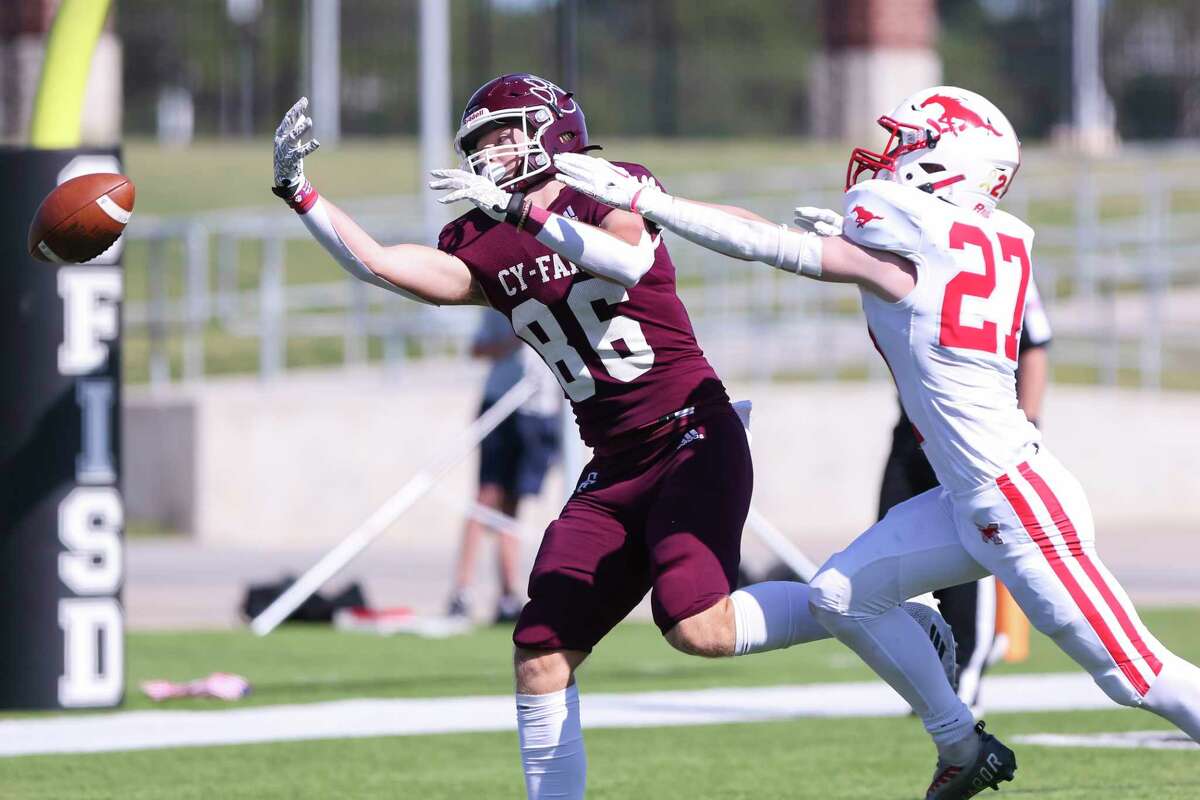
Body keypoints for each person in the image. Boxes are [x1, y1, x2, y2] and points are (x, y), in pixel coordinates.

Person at [272, 75, 955, 800]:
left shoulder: (604, 185)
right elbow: (382, 264)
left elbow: (623, 259)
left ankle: (885, 609)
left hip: (693, 429)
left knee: (698, 626)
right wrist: (302, 194)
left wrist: (520, 211)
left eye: (505, 133)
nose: (489, 152)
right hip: (613, 460)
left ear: (555, 128)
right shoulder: (479, 234)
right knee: (540, 651)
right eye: (479, 142)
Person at [555, 84, 1200, 799]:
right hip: (967, 497)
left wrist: (652, 204)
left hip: (1017, 502)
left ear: (948, 161)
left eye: (913, 142)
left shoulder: (909, 226)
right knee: (838, 596)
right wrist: (849, 240)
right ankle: (960, 743)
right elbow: (912, 279)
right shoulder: (987, 236)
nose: (893, 155)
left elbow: (772, 248)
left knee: (1136, 674)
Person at [874, 278, 1052, 712]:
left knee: (975, 550)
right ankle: (930, 673)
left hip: (974, 435)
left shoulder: (991, 256)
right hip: (915, 433)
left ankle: (968, 670)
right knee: (888, 552)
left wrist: (1029, 421)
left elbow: (1034, 344)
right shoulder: (914, 253)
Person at [448, 310, 562, 623]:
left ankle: (509, 595)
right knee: (486, 497)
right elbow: (478, 348)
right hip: (501, 404)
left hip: (540, 410)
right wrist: (515, 340)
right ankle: (462, 591)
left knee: (513, 504)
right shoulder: (499, 299)